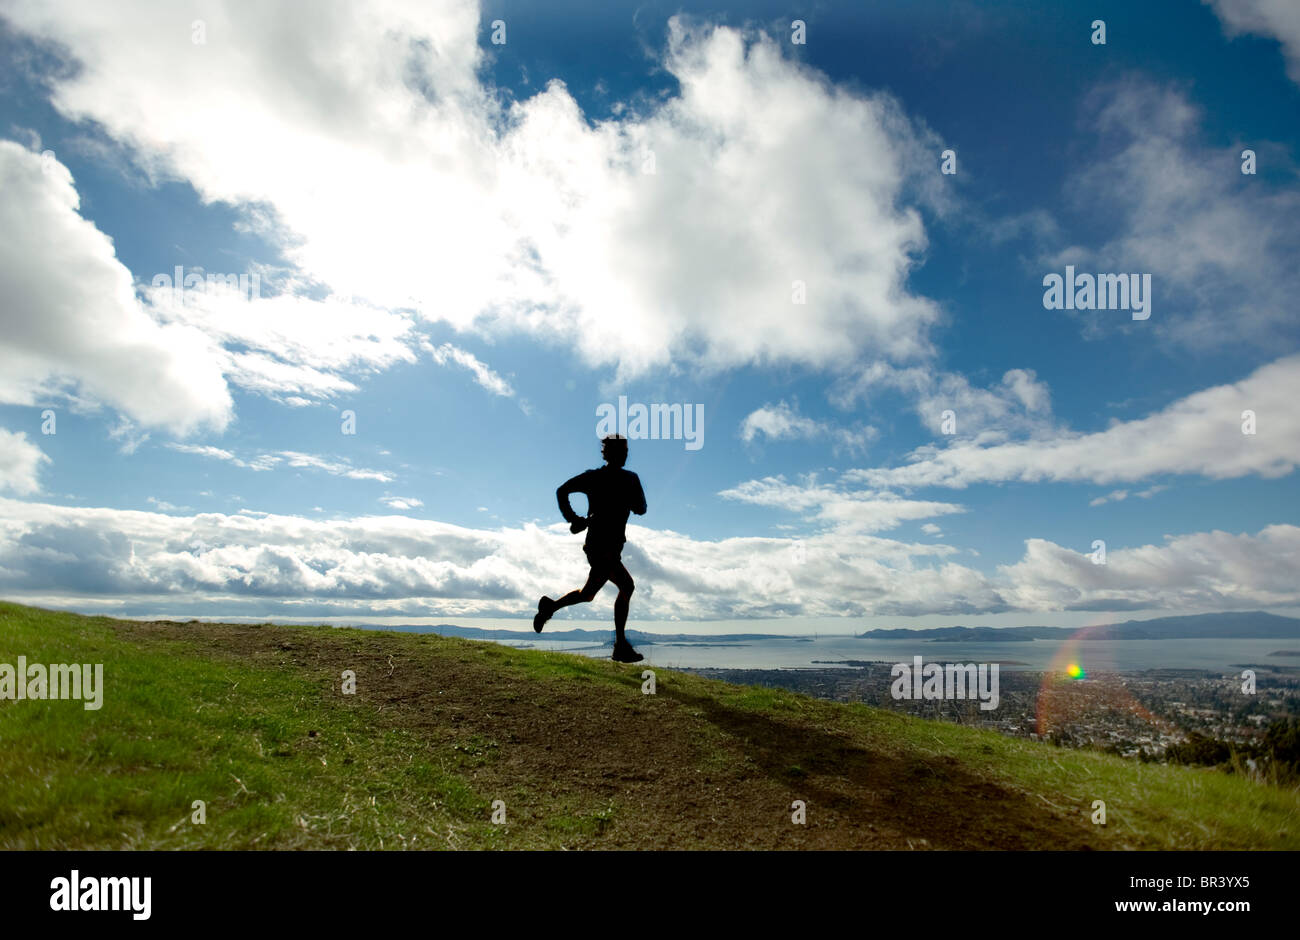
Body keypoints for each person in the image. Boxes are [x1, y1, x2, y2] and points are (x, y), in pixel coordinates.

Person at [534, 435, 647, 663]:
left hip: (613, 546)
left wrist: (574, 518)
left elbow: (641, 508)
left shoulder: (625, 479)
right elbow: (561, 490)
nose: (625, 456)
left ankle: (550, 607)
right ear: (609, 454)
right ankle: (620, 646)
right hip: (598, 545)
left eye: (626, 452)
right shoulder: (598, 477)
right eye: (621, 452)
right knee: (627, 585)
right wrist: (573, 518)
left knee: (588, 595)